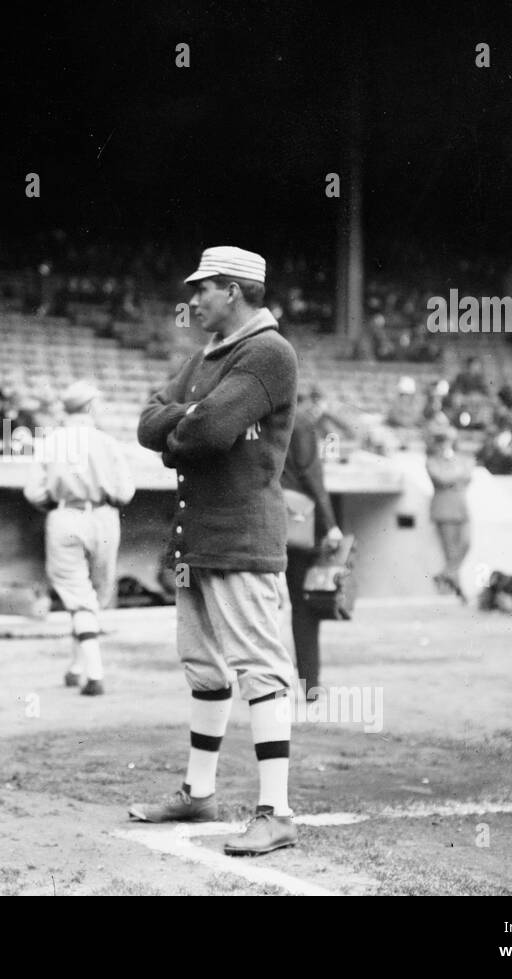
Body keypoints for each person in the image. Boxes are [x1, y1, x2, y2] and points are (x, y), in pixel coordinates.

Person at [131, 246, 300, 857]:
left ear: (233, 291)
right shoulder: (207, 355)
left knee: (260, 668)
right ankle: (199, 791)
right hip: (195, 540)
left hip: (242, 537)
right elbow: (149, 423)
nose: (193, 299)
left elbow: (209, 431)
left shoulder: (268, 351)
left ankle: (275, 810)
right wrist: (188, 424)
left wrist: (185, 429)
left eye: (203, 288)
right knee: (203, 668)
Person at [22, 380, 136, 696]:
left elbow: (34, 491)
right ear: (88, 407)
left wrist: (55, 504)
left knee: (79, 596)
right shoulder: (107, 442)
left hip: (65, 516)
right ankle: (92, 672)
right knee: (92, 596)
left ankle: (81, 667)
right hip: (102, 517)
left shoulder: (50, 441)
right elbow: (126, 492)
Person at [282, 394, 343, 697]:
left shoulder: (256, 417)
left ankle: (265, 686)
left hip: (261, 522)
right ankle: (310, 685)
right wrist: (330, 525)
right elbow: (312, 477)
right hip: (298, 525)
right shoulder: (301, 424)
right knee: (303, 607)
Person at [425, 420, 473, 600]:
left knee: (466, 543)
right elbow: (442, 479)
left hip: (460, 507)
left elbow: (468, 475)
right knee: (451, 551)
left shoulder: (456, 459)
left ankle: (445, 575)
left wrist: (455, 475)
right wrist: (457, 476)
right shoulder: (432, 461)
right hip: (444, 509)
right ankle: (459, 592)